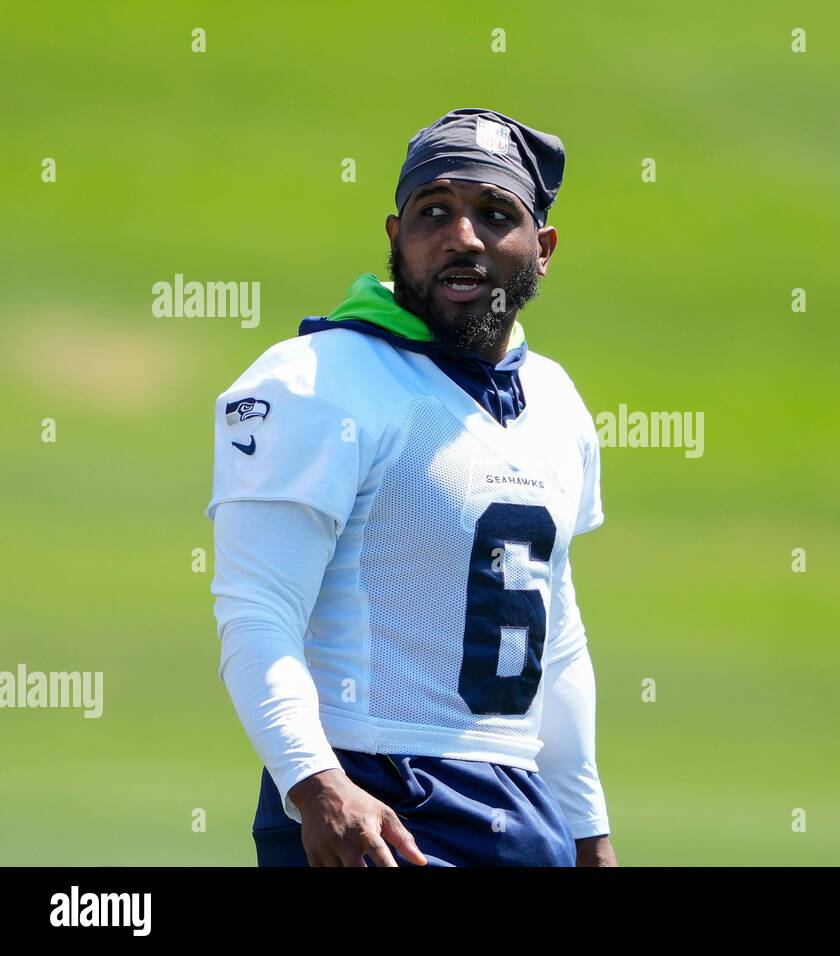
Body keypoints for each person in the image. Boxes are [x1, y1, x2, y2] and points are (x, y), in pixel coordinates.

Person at [205, 107, 616, 867]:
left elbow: (554, 644)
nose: (462, 238)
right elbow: (256, 611)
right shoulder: (317, 380)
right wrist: (316, 784)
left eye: (495, 214)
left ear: (543, 248)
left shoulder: (556, 402)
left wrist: (589, 834)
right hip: (375, 802)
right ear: (395, 238)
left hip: (523, 813)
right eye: (435, 212)